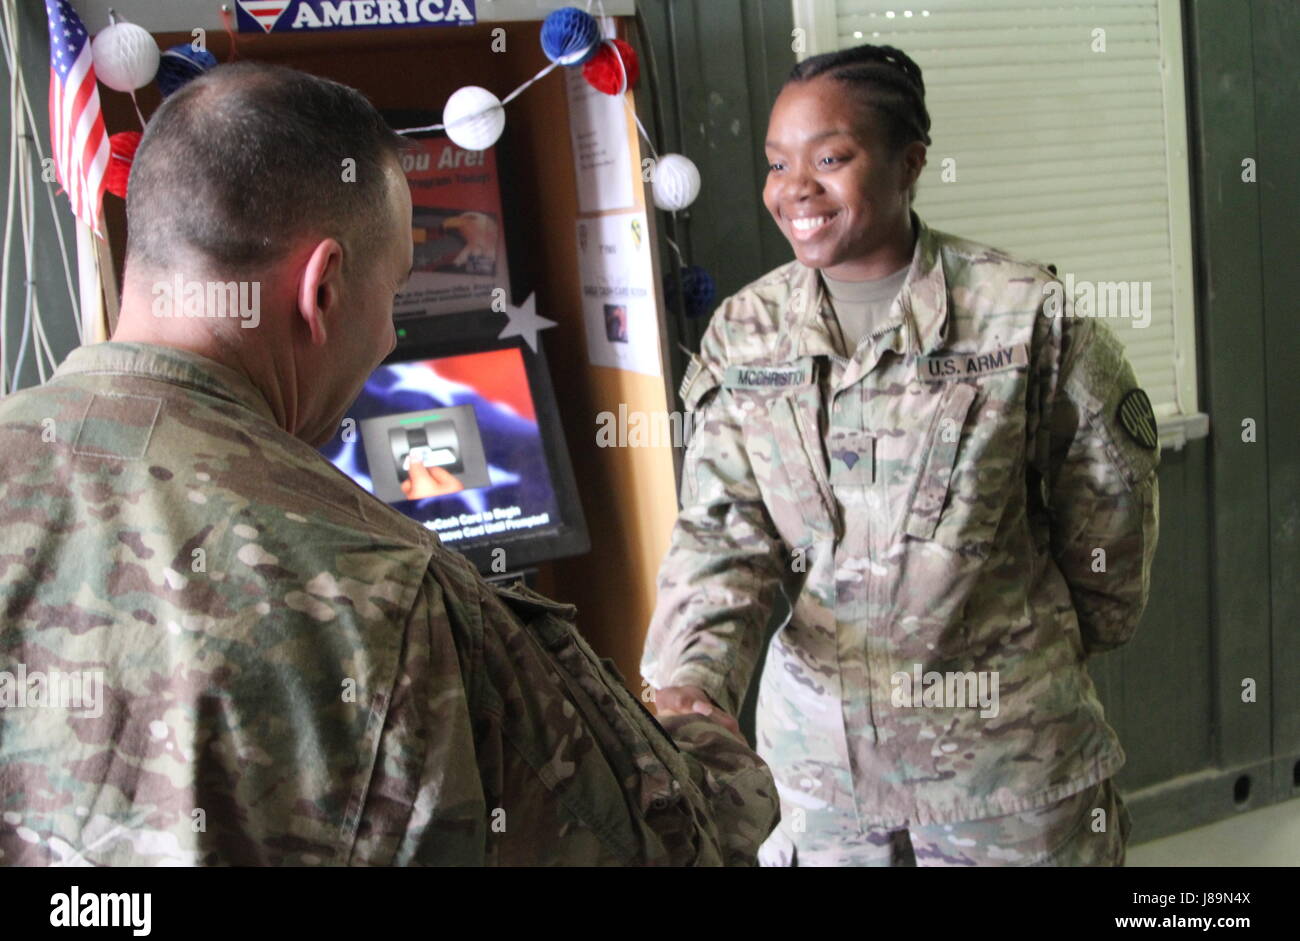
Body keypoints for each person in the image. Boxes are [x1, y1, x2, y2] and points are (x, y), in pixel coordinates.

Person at [0, 62, 777, 866]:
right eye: (394, 294)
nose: (386, 340)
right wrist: (709, 749)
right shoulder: (397, 598)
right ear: (325, 287)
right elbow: (666, 849)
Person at [643, 44, 1159, 866]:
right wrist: (694, 682)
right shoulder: (748, 333)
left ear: (910, 161)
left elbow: (1109, 529)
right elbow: (721, 532)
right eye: (777, 162)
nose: (794, 188)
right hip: (817, 782)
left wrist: (1037, 656)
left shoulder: (1025, 317)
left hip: (1005, 773)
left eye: (832, 158)